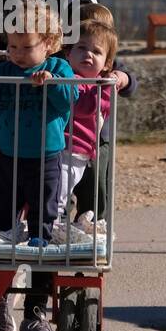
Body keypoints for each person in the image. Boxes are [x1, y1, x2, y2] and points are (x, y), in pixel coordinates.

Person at [0, 0, 78, 331]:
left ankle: (36, 312)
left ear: (49, 44)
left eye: (26, 47)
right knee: (1, 232)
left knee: (41, 233)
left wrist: (52, 82)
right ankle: (0, 302)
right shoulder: (5, 70)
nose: (17, 54)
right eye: (12, 46)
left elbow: (69, 99)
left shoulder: (59, 66)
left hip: (45, 160)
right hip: (6, 158)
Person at [72, 4, 135, 224]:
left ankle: (95, 223)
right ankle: (58, 226)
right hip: (65, 137)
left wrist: (120, 77)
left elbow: (130, 81)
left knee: (97, 184)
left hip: (99, 139)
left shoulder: (106, 59)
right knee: (61, 185)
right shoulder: (66, 62)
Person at [58, 18, 119, 223]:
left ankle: (79, 226)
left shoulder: (100, 86)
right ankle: (49, 230)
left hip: (82, 153)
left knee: (82, 193)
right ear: (68, 53)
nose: (88, 54)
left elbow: (100, 110)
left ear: (107, 64)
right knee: (57, 195)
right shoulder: (66, 79)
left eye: (97, 51)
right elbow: (82, 106)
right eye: (81, 47)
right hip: (61, 150)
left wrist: (110, 85)